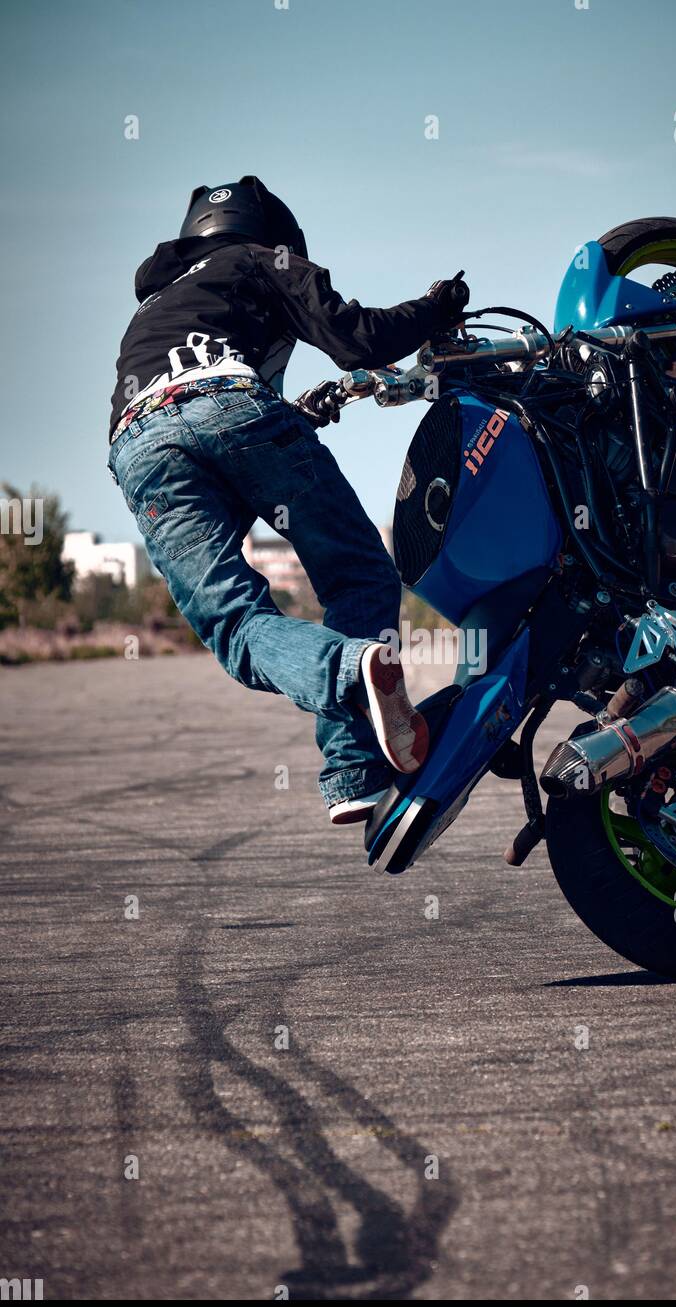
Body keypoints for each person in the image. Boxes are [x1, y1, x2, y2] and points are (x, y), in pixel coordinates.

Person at [108, 176, 469, 824]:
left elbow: (186, 404)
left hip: (138, 442)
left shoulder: (155, 303)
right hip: (234, 409)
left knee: (238, 627)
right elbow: (355, 337)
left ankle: (355, 750)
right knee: (356, 574)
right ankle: (354, 746)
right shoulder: (259, 260)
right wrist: (436, 308)